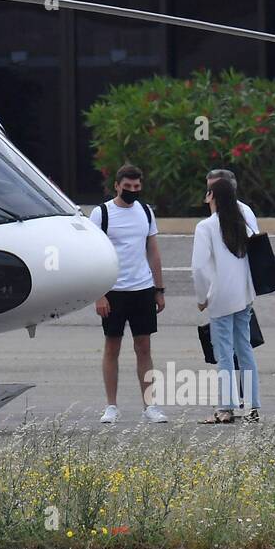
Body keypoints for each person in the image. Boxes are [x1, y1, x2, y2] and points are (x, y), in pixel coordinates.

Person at [90, 163, 167, 424]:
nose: (133, 190)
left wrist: (159, 289)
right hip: (113, 290)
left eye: (137, 186)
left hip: (142, 289)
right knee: (112, 346)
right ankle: (111, 406)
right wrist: (98, 294)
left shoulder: (145, 212)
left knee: (143, 346)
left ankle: (150, 406)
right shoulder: (101, 214)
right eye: (128, 186)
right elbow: (92, 255)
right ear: (117, 185)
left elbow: (153, 251)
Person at [192, 178, 260, 424]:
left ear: (211, 196)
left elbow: (199, 268)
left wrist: (202, 298)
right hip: (244, 294)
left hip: (220, 297)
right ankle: (252, 406)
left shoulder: (206, 227)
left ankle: (225, 408)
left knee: (224, 354)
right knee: (245, 349)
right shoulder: (243, 220)